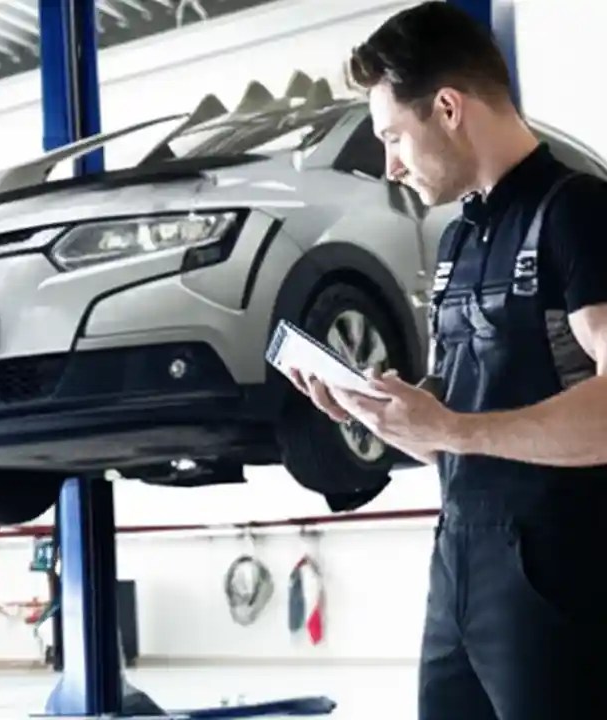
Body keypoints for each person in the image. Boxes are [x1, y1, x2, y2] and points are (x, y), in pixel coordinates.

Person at [288, 2, 607, 718]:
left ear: (448, 107)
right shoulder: (459, 240)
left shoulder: (578, 214)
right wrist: (380, 414)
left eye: (394, 136)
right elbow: (457, 426)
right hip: (459, 563)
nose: (390, 164)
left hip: (560, 570)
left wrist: (453, 431)